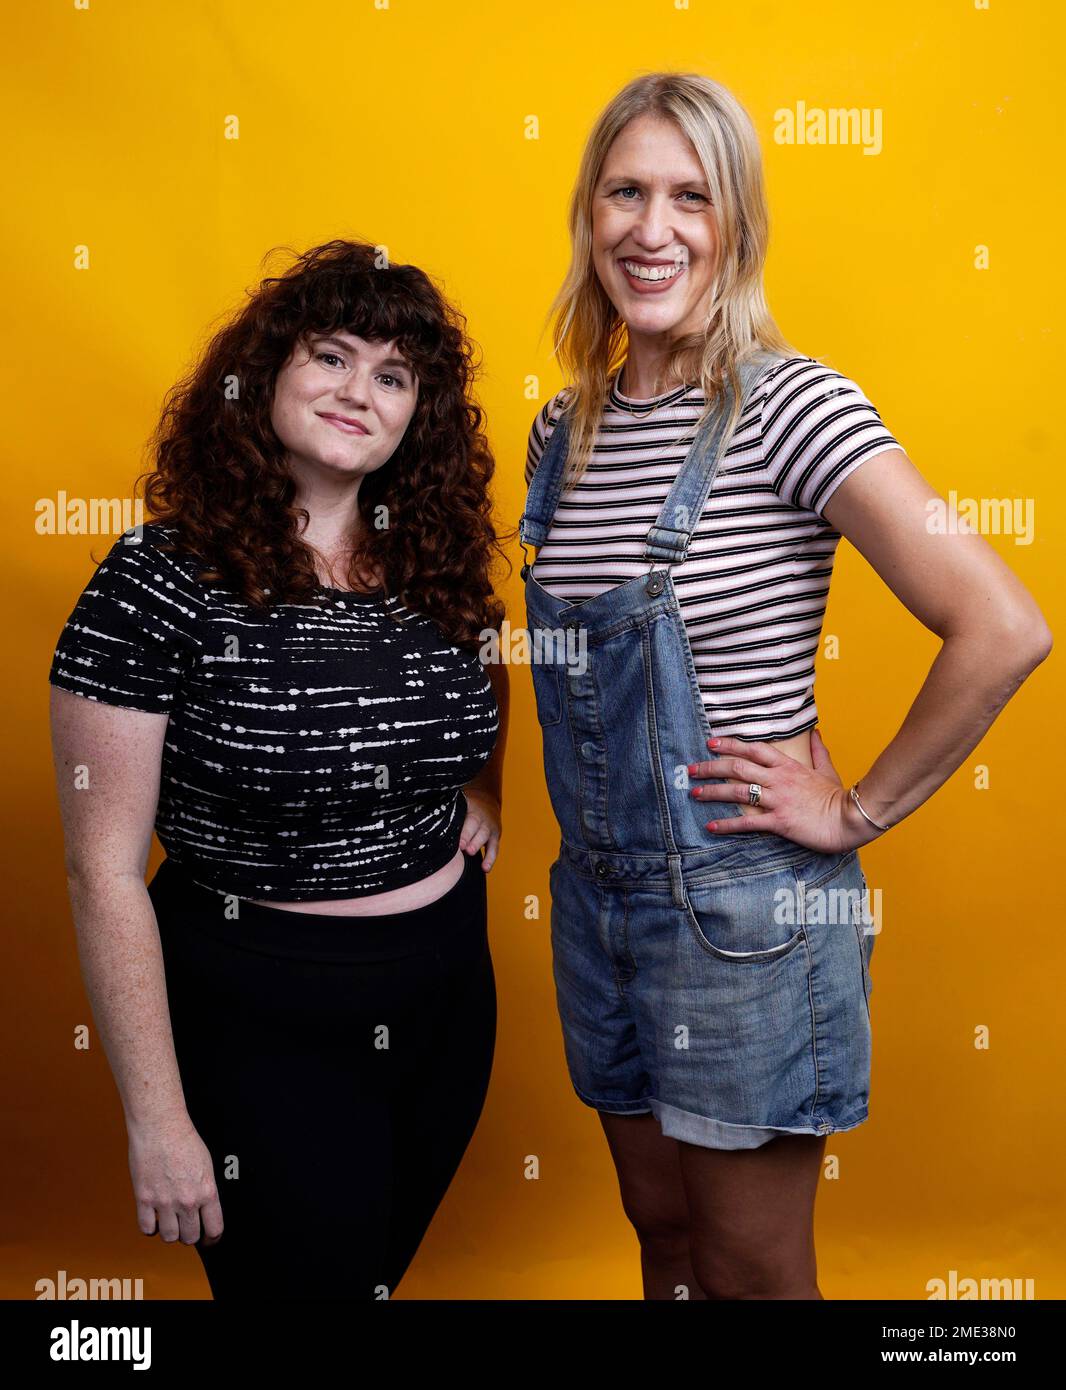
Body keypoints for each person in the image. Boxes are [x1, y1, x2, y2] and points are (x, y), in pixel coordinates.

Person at [520, 73, 1052, 1300]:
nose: (653, 229)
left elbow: (1002, 626)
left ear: (738, 224)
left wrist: (856, 809)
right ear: (588, 214)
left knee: (751, 1271)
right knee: (662, 1235)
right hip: (597, 906)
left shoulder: (789, 406)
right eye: (625, 192)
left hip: (742, 913)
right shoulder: (563, 431)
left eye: (691, 197)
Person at [48, 239, 509, 1300]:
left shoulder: (433, 565)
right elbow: (101, 871)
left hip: (445, 992)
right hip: (258, 1012)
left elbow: (489, 679)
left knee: (372, 1276)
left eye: (393, 377)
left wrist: (484, 789)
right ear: (262, 377)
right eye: (332, 357)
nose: (358, 392)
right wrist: (157, 1118)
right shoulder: (157, 581)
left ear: (418, 417)